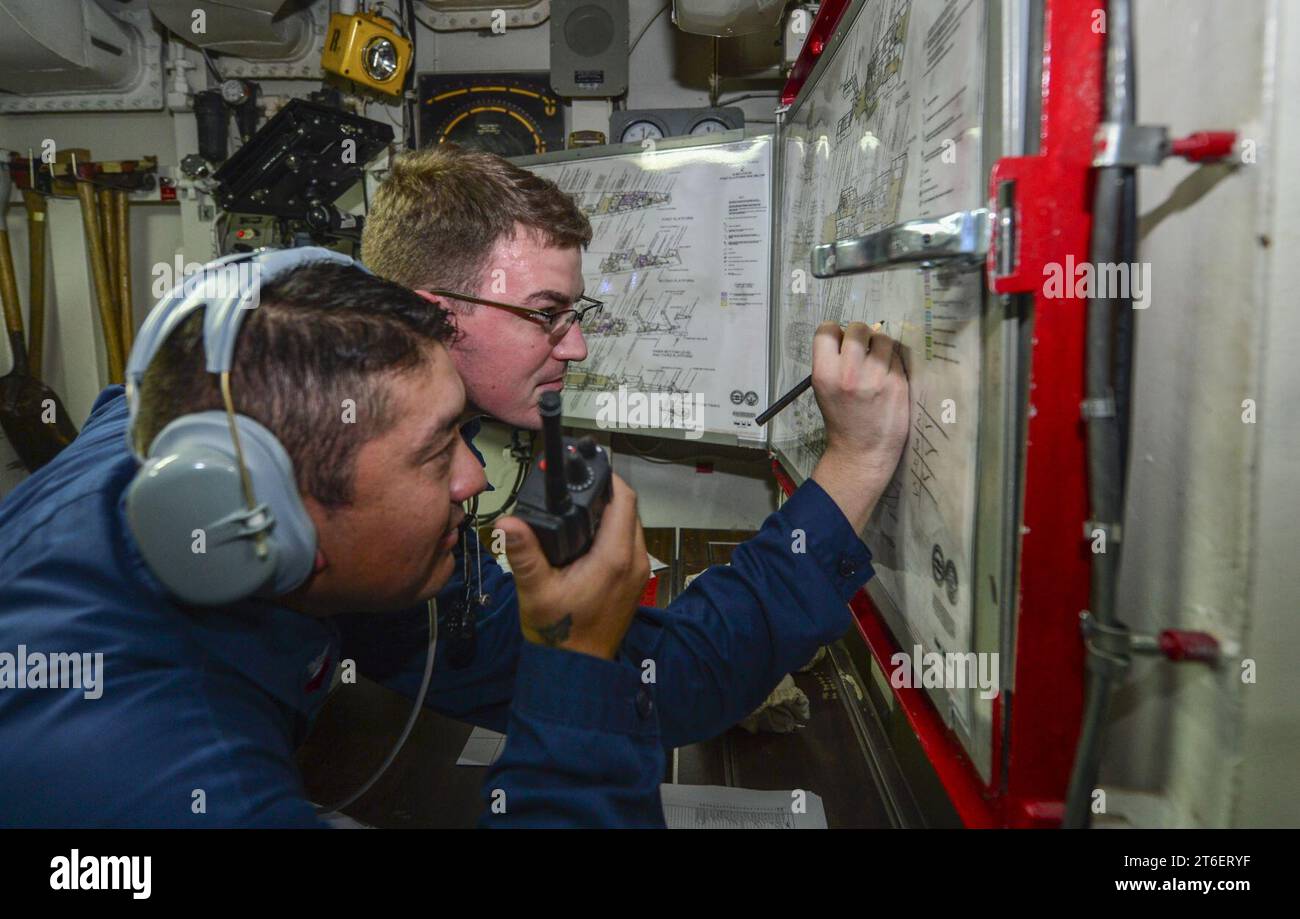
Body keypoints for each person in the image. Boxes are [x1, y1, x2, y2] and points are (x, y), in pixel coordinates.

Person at [355, 144, 913, 826]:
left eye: (575, 312)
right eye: (545, 313)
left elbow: (655, 677)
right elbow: (667, 682)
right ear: (432, 314)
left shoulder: (364, 458)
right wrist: (855, 462)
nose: (576, 347)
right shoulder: (344, 499)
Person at [0, 253, 653, 827]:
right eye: (436, 451)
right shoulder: (164, 779)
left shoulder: (184, 423)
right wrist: (578, 670)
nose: (474, 477)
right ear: (273, 516)